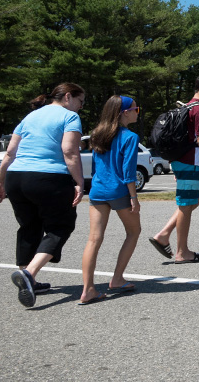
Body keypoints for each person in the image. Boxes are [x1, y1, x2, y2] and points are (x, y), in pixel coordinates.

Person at [0, 83, 86, 308]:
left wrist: (0, 181)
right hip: (48, 177)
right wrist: (79, 182)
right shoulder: (69, 117)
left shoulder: (30, 117)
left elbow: (10, 152)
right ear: (68, 97)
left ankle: (28, 280)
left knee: (29, 226)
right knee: (61, 226)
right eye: (80, 101)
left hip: (17, 177)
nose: (81, 107)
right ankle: (29, 273)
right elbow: (69, 151)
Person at [79, 95, 142, 305]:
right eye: (135, 109)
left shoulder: (97, 134)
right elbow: (128, 171)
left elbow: (95, 167)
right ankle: (117, 279)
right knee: (134, 231)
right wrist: (134, 197)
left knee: (94, 239)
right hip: (119, 191)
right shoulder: (130, 137)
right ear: (125, 113)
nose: (137, 113)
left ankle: (88, 290)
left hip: (97, 190)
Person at [149, 75, 199, 263]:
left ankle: (164, 235)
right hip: (190, 161)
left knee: (195, 200)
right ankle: (182, 252)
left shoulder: (186, 107)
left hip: (180, 160)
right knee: (186, 205)